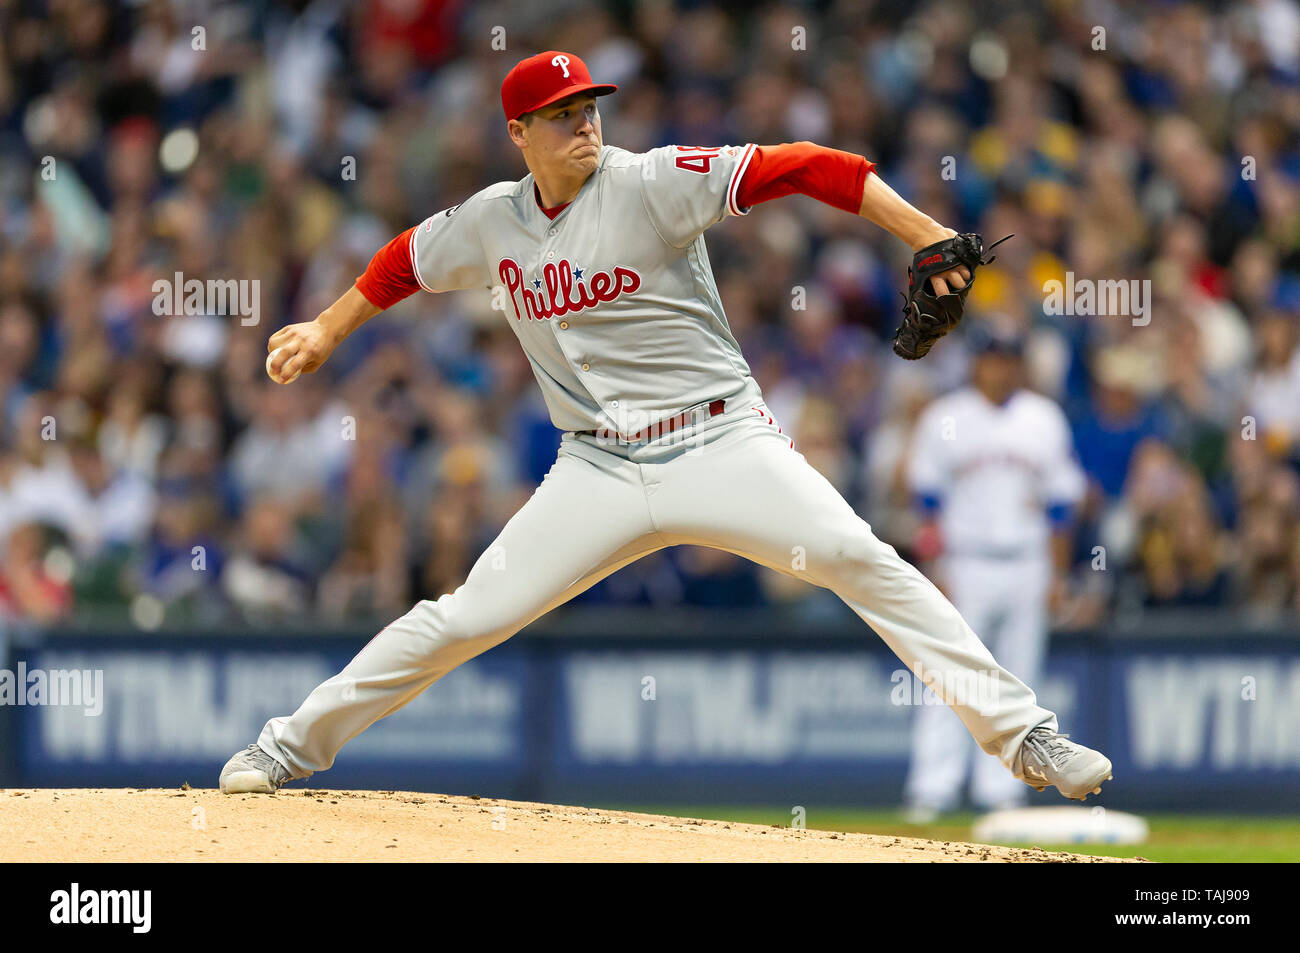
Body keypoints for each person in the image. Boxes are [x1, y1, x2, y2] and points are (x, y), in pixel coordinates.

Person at [219, 51, 1111, 803]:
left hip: (721, 441)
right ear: (517, 134)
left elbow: (804, 164)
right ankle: (286, 747)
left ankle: (1025, 734)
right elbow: (403, 261)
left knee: (856, 556)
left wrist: (922, 230)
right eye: (559, 113)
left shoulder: (651, 181)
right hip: (595, 469)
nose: (583, 123)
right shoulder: (494, 218)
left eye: (587, 107)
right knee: (463, 619)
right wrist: (327, 327)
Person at [902, 323, 1086, 822]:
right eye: (991, 358)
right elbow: (925, 498)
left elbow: (1064, 503)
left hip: (1028, 562)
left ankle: (1002, 791)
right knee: (947, 676)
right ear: (976, 363)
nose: (1000, 367)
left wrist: (1057, 573)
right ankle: (931, 788)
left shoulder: (1043, 418)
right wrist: (935, 565)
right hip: (965, 563)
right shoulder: (947, 416)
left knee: (1020, 681)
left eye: (1008, 359)